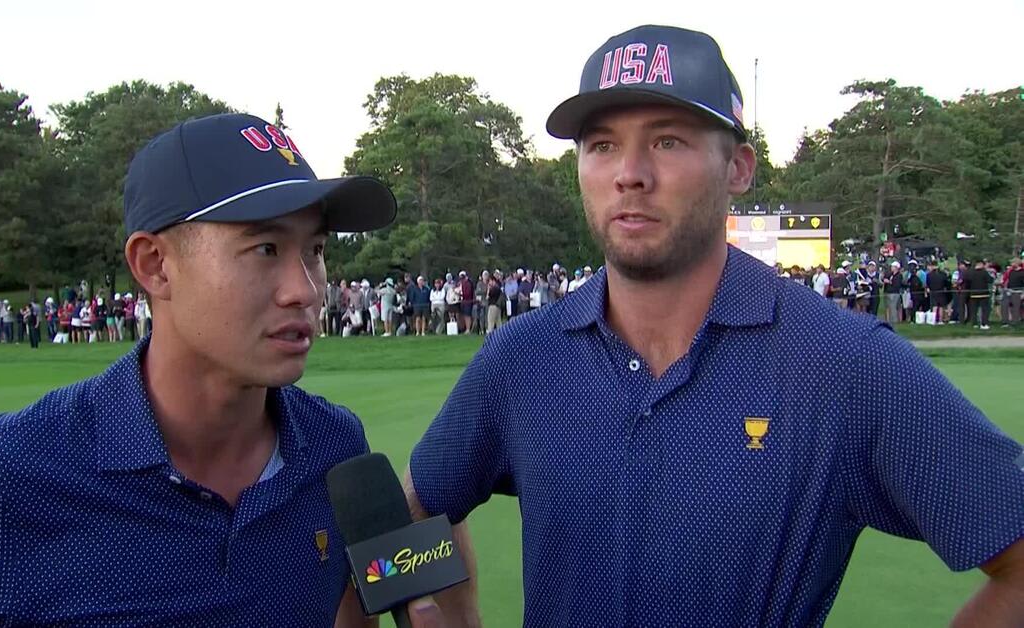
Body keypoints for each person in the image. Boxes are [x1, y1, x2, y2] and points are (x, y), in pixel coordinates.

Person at [404, 25, 1024, 627]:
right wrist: (450, 618)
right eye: (602, 145)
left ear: (738, 168)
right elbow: (417, 506)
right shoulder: (521, 357)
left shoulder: (842, 363)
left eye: (668, 141)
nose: (629, 173)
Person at [0, 113, 442, 626]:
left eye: (315, 250)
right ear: (155, 266)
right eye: (266, 248)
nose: (304, 289)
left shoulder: (336, 447)